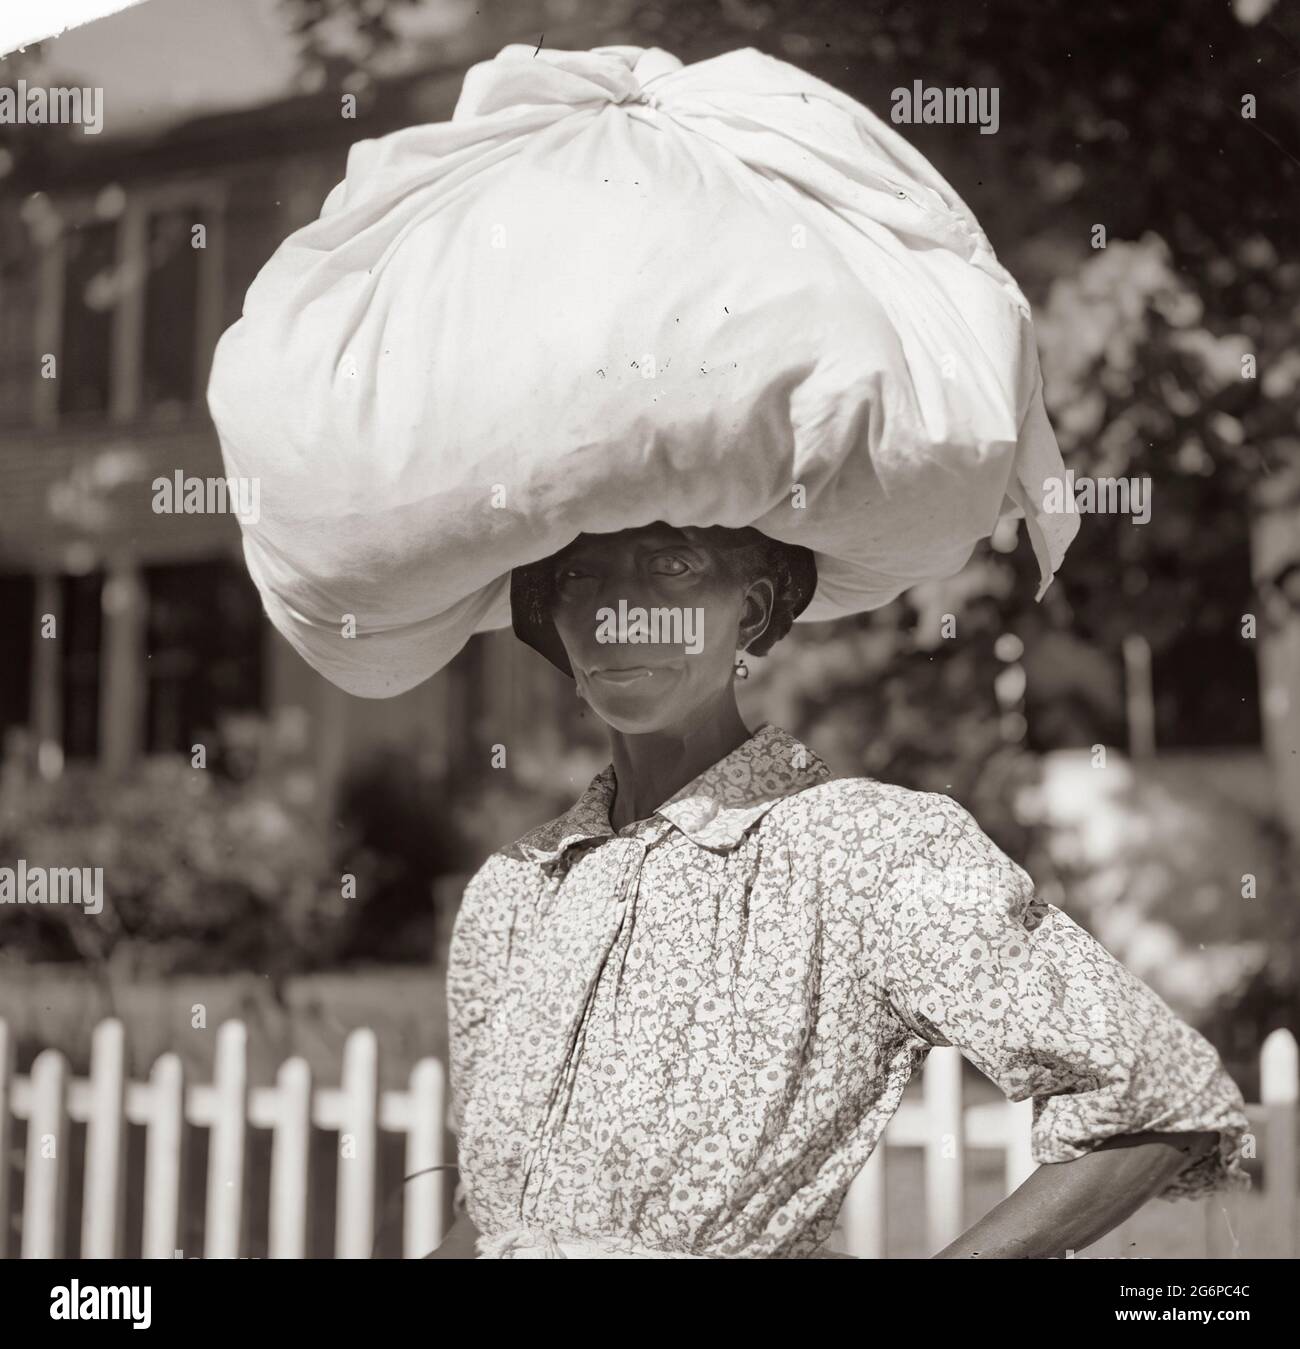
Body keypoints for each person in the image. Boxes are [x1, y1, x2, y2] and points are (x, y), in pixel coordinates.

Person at [428, 521, 1250, 1259]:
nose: (618, 609)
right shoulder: (515, 889)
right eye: (576, 577)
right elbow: (489, 1220)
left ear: (749, 612)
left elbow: (1156, 1093)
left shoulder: (863, 851)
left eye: (671, 564)